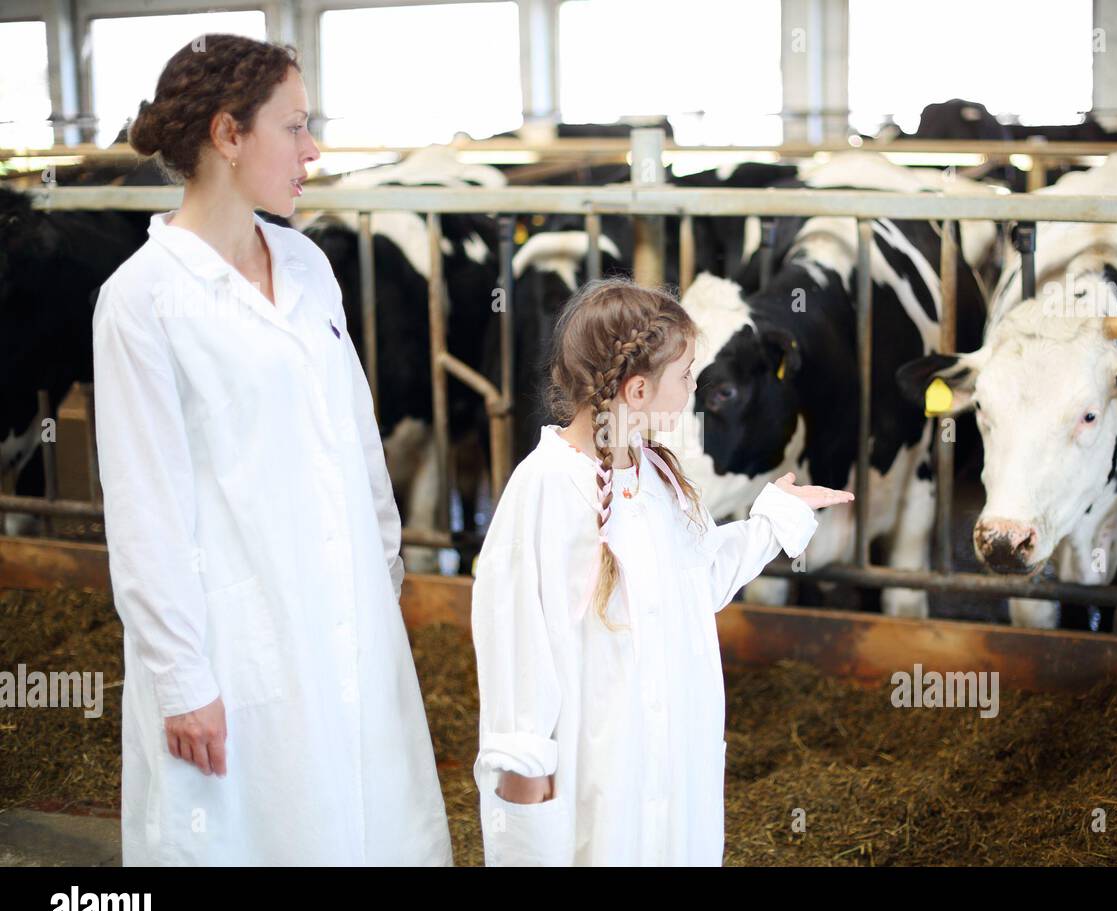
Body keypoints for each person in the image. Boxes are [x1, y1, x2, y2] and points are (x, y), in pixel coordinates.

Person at [94, 34, 452, 865]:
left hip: (349, 615)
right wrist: (183, 681)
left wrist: (384, 571)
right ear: (227, 135)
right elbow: (145, 510)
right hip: (237, 638)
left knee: (371, 824)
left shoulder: (306, 263)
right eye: (293, 127)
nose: (313, 149)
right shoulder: (141, 302)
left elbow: (356, 431)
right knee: (264, 831)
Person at [470, 277, 854, 865]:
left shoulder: (661, 477)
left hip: (670, 759)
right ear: (639, 389)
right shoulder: (547, 486)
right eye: (687, 375)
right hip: (598, 762)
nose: (695, 387)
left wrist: (773, 520)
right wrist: (523, 767)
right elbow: (516, 633)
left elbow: (696, 585)